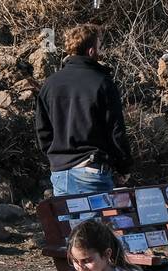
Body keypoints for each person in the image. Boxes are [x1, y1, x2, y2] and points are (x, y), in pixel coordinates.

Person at [35, 23, 133, 198]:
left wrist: (57, 157)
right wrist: (123, 167)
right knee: (95, 226)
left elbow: (43, 131)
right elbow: (116, 131)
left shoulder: (50, 84)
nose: (102, 50)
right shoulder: (102, 83)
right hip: (91, 171)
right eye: (100, 46)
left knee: (70, 226)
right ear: (91, 51)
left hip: (59, 174)